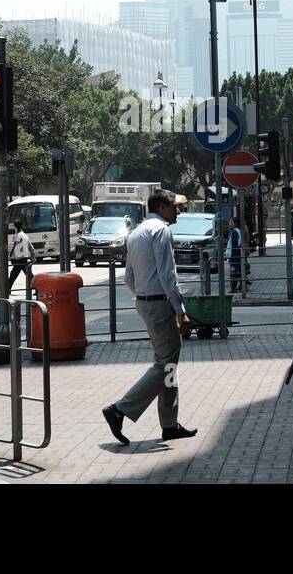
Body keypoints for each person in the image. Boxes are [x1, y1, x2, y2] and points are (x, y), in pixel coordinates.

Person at [103, 190, 197, 445]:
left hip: (145, 302)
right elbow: (169, 276)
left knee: (168, 364)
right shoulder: (161, 231)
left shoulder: (137, 232)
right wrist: (180, 311)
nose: (177, 211)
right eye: (174, 207)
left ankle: (169, 424)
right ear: (162, 207)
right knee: (164, 365)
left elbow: (129, 278)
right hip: (159, 304)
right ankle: (120, 409)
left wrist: (144, 296)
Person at [7, 221, 35, 293]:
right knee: (27, 274)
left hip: (19, 259)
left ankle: (8, 289)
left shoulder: (17, 235)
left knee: (15, 274)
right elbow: (31, 247)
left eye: (14, 227)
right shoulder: (25, 235)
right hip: (24, 258)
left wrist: (11, 256)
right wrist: (33, 256)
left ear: (16, 227)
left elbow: (15, 247)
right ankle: (37, 288)